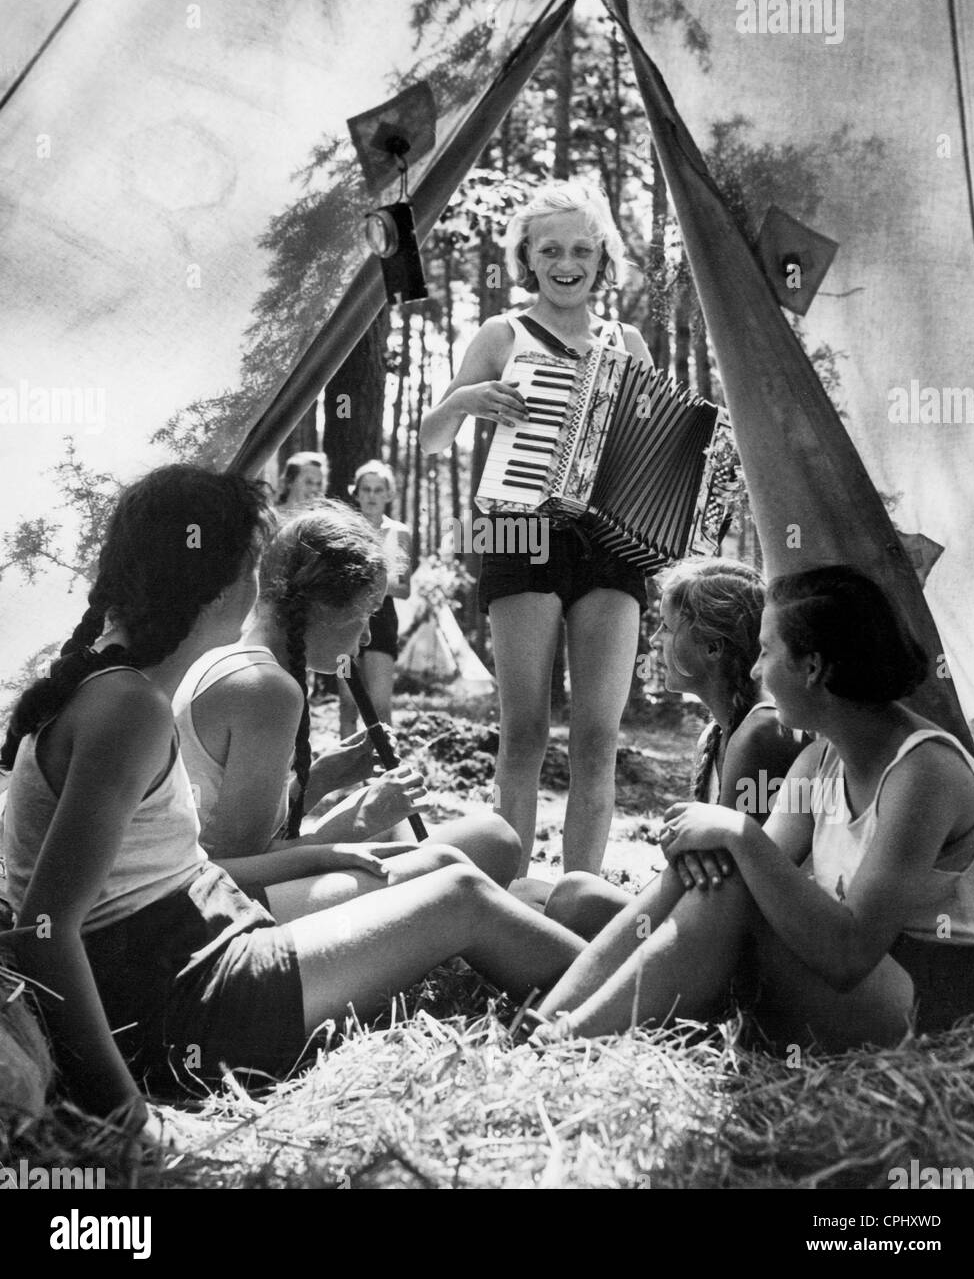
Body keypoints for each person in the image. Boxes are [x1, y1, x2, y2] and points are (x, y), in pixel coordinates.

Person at [0, 466, 586, 1140]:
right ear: (215, 585)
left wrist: (328, 848)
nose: (259, 592)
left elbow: (178, 874)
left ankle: (612, 972)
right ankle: (638, 998)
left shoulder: (114, 689)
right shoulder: (126, 709)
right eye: (252, 571)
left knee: (444, 872)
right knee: (460, 893)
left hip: (198, 956)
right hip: (184, 1006)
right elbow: (43, 930)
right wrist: (127, 1116)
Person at [535, 567, 974, 1049]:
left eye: (768, 651)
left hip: (932, 1014)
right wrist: (714, 843)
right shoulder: (822, 758)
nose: (755, 670)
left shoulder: (924, 774)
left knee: (730, 866)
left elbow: (849, 954)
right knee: (714, 869)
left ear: (812, 668)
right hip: (860, 986)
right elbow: (738, 874)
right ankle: (547, 1027)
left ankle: (567, 1042)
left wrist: (739, 833)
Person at [420, 179, 652, 877]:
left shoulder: (627, 340)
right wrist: (465, 399)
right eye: (549, 248)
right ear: (525, 256)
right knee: (523, 730)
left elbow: (651, 445)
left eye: (582, 249)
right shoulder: (502, 333)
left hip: (608, 542)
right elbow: (433, 439)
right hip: (517, 535)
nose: (566, 261)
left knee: (597, 737)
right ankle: (504, 893)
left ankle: (579, 895)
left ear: (601, 260)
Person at [173, 502, 520, 921]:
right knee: (491, 842)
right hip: (220, 915)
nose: (370, 634)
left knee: (437, 836)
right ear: (324, 608)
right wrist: (347, 827)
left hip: (215, 893)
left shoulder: (231, 660)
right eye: (366, 614)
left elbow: (229, 824)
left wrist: (320, 777)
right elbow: (230, 868)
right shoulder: (268, 690)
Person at [543, 559, 809, 937]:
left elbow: (724, 883)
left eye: (667, 628)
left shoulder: (761, 733)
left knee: (572, 899)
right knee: (539, 894)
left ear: (713, 647)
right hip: (703, 917)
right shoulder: (716, 734)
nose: (654, 641)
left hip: (731, 935)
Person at [337, 460, 411, 739]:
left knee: (380, 705)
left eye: (378, 490)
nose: (371, 496)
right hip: (347, 619)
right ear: (356, 493)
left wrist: (372, 583)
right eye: (365, 489)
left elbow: (404, 589)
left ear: (388, 494)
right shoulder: (344, 529)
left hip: (382, 619)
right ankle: (349, 780)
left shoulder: (399, 533)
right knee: (347, 704)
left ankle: (387, 772)